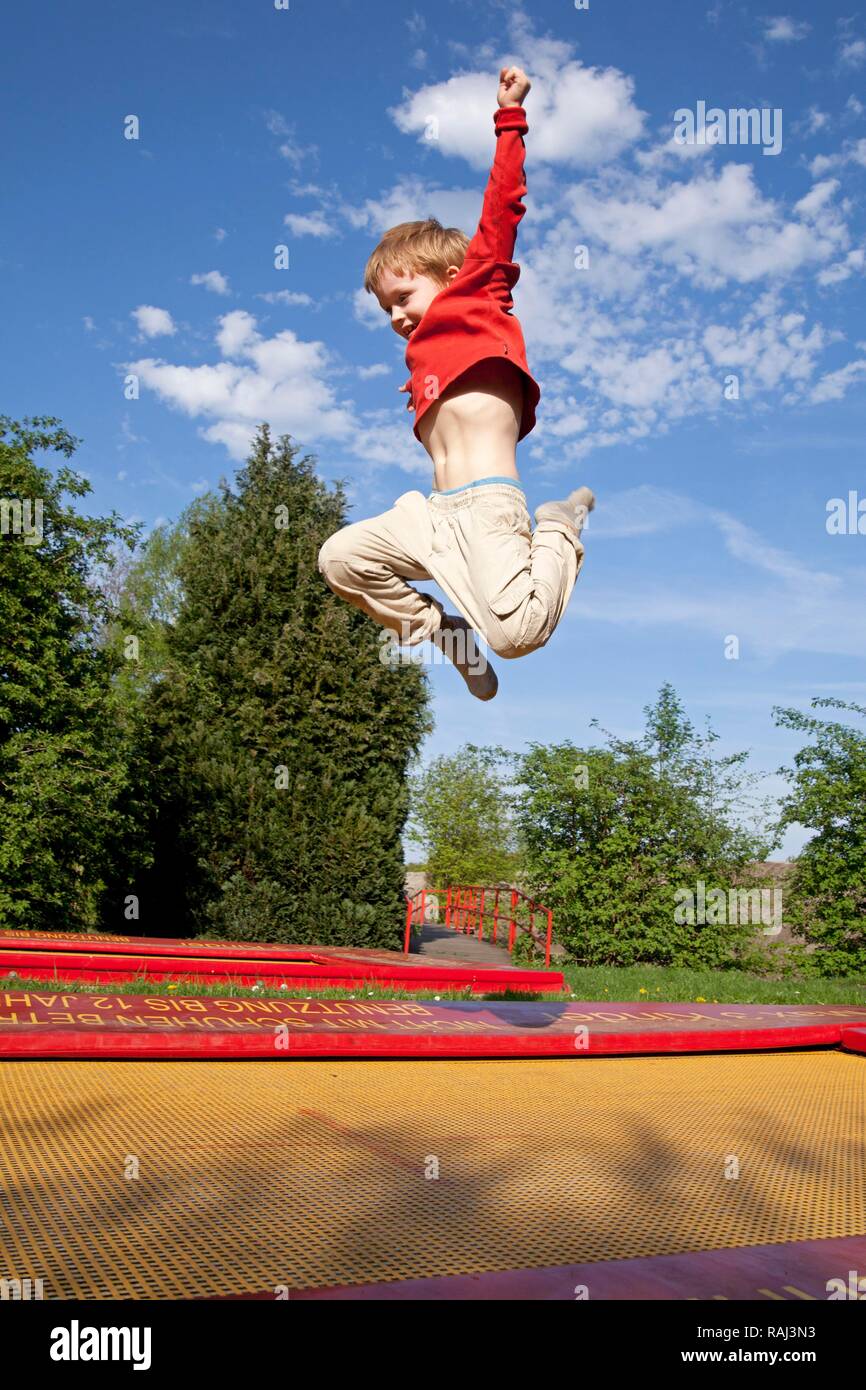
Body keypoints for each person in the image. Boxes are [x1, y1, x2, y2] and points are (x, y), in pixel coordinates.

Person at [318, 65, 594, 700]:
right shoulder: (426, 358)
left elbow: (504, 204)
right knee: (340, 557)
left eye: (404, 296)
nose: (396, 317)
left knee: (520, 635)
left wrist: (510, 116)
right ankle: (442, 631)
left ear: (449, 272)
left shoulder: (478, 292)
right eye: (385, 309)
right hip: (432, 515)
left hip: (490, 507)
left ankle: (558, 526)